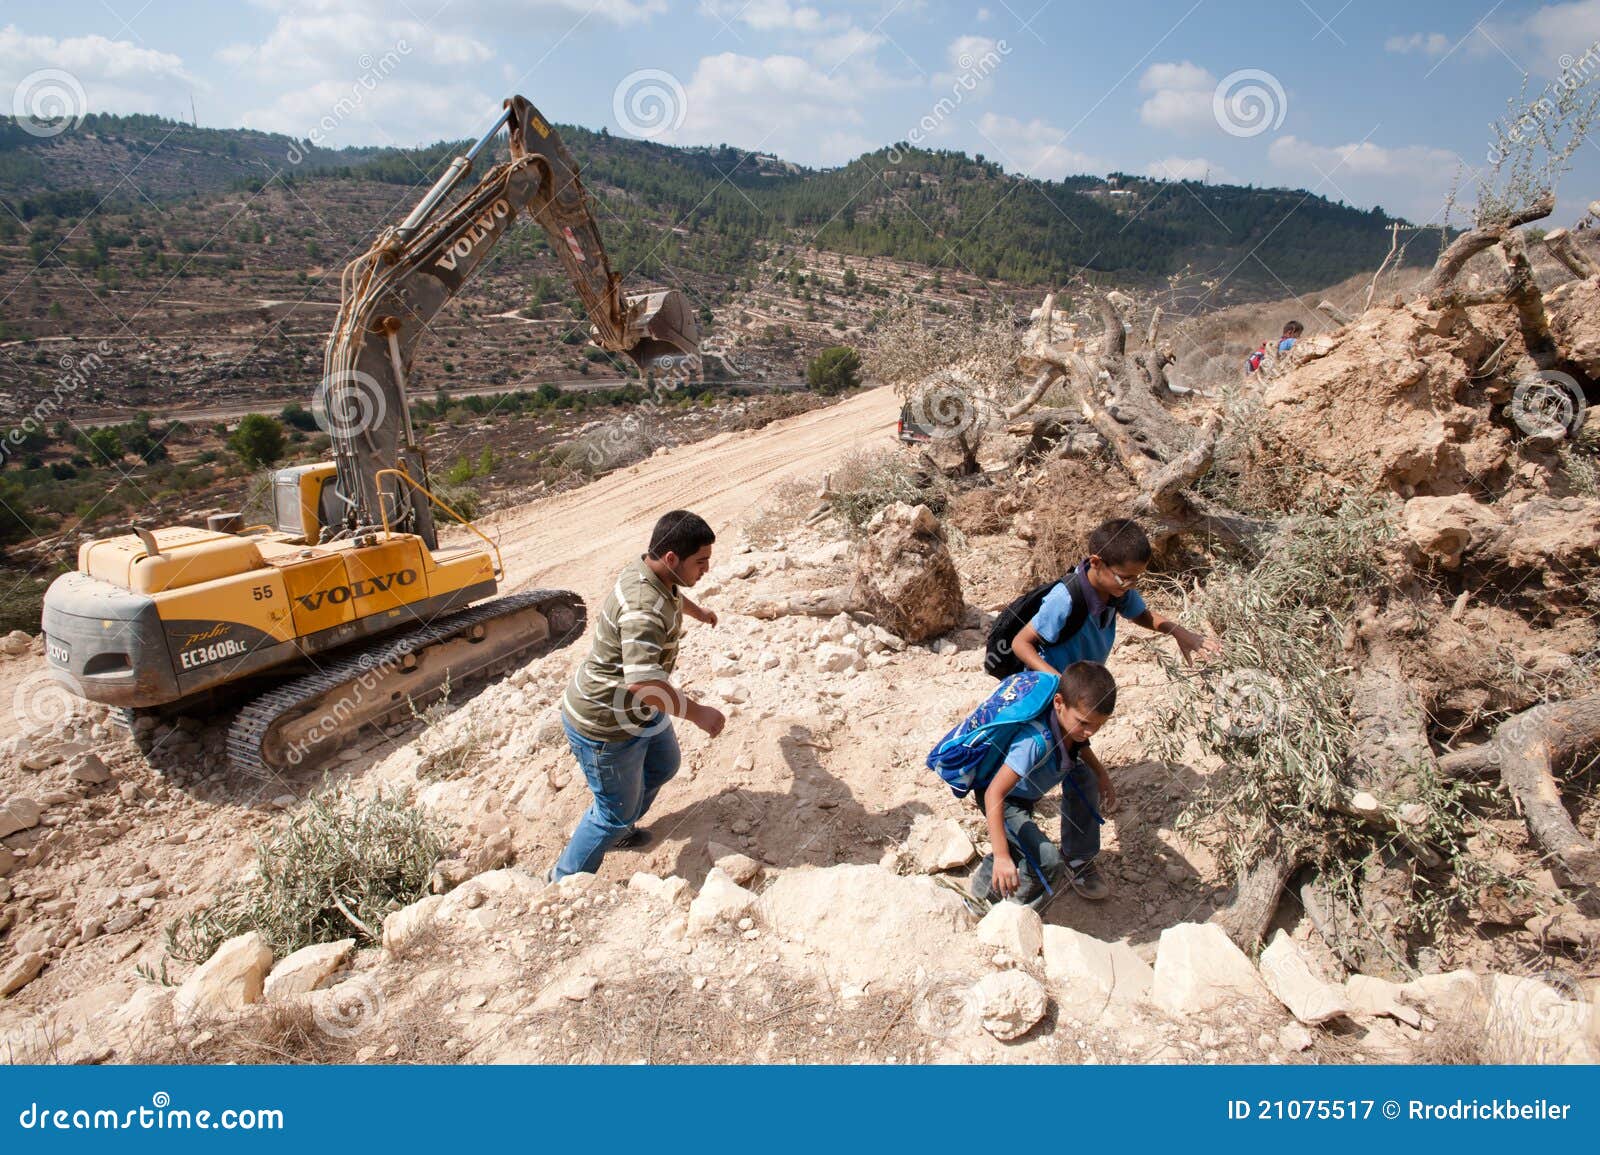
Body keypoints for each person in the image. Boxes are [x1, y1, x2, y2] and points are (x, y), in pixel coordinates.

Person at [549, 510, 725, 881]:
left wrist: (698, 611)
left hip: (637, 710)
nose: (706, 569)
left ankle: (620, 827)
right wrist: (698, 713)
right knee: (612, 812)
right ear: (672, 558)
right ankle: (562, 882)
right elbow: (644, 683)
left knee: (664, 765)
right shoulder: (643, 606)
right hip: (605, 721)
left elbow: (672, 595)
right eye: (701, 562)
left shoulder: (651, 568)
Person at [969, 661, 1118, 909]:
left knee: (1022, 846)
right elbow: (995, 793)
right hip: (1003, 801)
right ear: (1058, 703)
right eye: (1084, 723)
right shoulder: (1035, 743)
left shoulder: (1072, 729)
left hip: (1022, 798)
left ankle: (981, 894)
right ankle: (1010, 913)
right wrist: (1002, 855)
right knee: (1047, 861)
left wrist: (1101, 774)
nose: (1090, 732)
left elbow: (1082, 746)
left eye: (1098, 726)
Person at [1008, 518, 1220, 678]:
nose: (1132, 584)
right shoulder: (1065, 599)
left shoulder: (1116, 590)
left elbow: (1140, 615)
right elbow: (1021, 643)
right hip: (1049, 687)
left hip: (1081, 686)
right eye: (1126, 578)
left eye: (1137, 578)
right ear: (1096, 563)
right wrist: (1060, 683)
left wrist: (1178, 632)